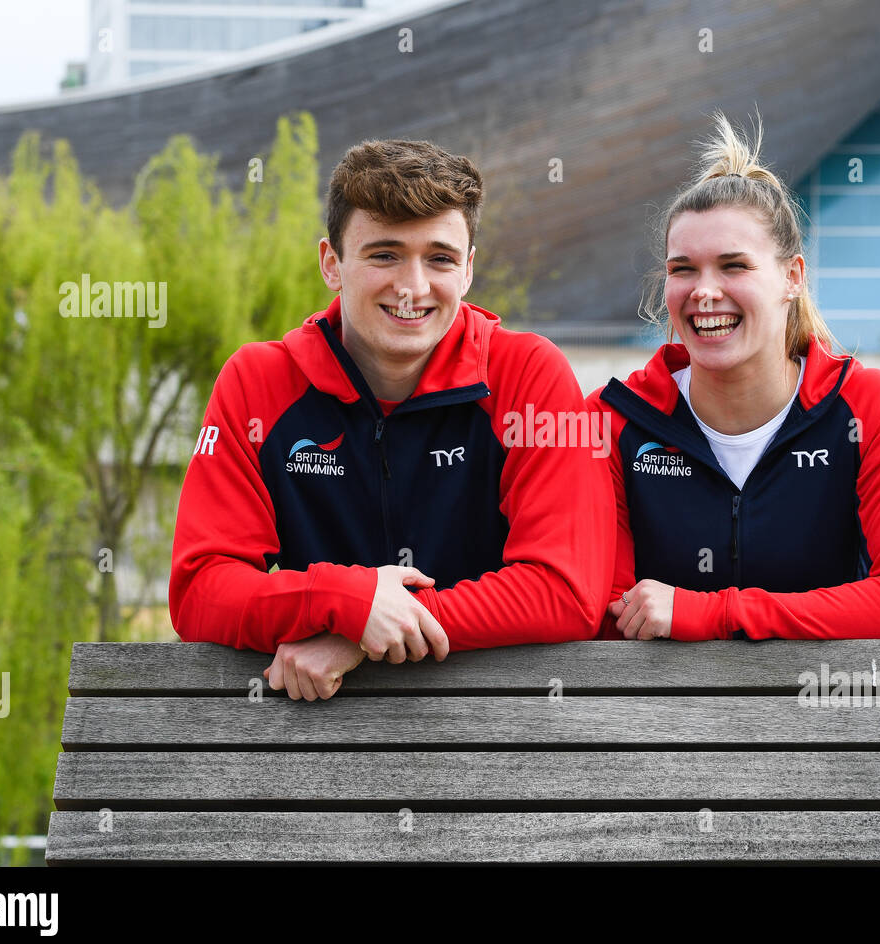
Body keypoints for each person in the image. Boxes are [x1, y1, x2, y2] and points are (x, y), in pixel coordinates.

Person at [170, 138, 614, 699]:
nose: (413, 287)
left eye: (440, 258)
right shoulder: (257, 382)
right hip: (312, 738)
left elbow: (565, 591)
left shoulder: (528, 374)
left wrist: (366, 631)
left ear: (470, 269)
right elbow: (201, 589)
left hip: (503, 737)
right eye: (384, 254)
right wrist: (343, 602)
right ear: (332, 264)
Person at [587, 113, 880, 652]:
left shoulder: (872, 408)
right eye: (683, 269)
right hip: (655, 728)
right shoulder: (612, 421)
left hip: (828, 725)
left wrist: (714, 611)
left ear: (792, 278)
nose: (704, 292)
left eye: (733, 266)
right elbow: (609, 613)